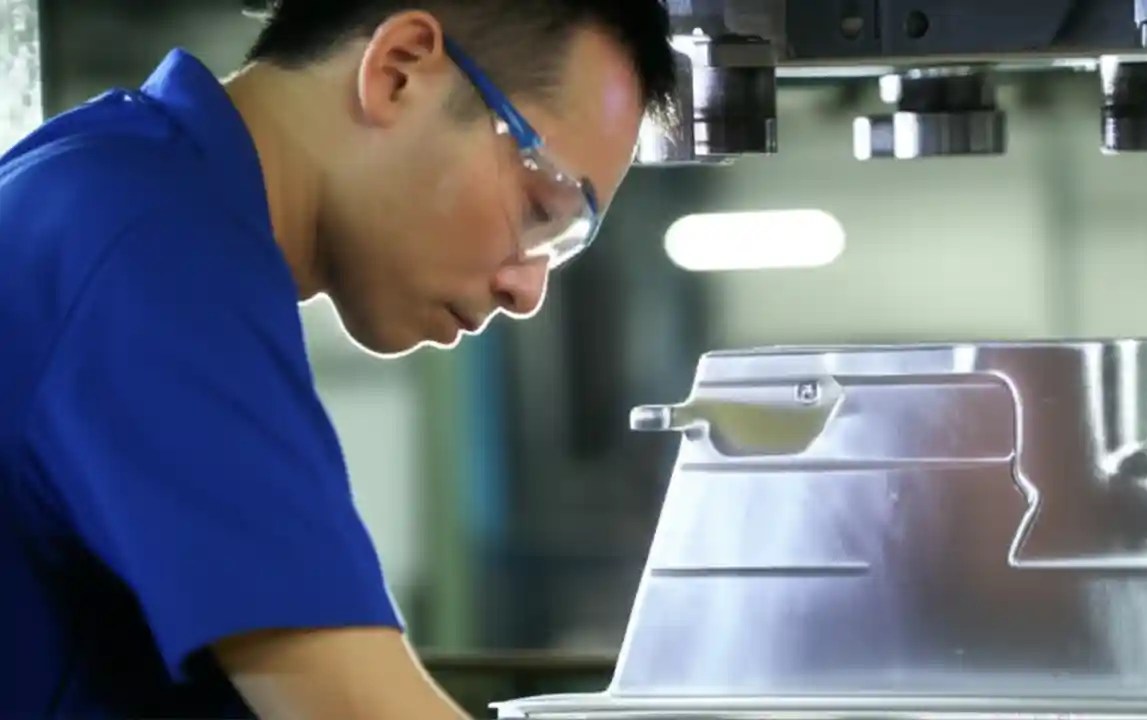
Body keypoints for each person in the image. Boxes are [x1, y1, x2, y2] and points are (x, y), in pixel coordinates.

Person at [0, 0, 675, 717]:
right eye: (542, 209)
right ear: (398, 70)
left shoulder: (109, 188)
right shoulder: (143, 245)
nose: (528, 290)